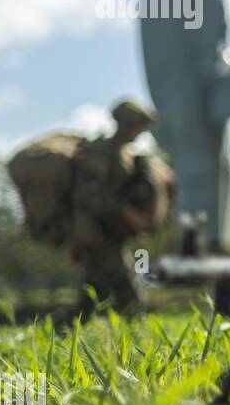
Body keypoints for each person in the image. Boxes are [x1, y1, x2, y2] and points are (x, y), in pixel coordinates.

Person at [68, 99, 173, 314]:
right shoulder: (101, 153)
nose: (140, 133)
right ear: (128, 125)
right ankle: (136, 332)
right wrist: (125, 212)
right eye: (139, 127)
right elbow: (89, 195)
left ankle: (62, 328)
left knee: (92, 294)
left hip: (111, 232)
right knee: (126, 291)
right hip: (96, 232)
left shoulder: (124, 154)